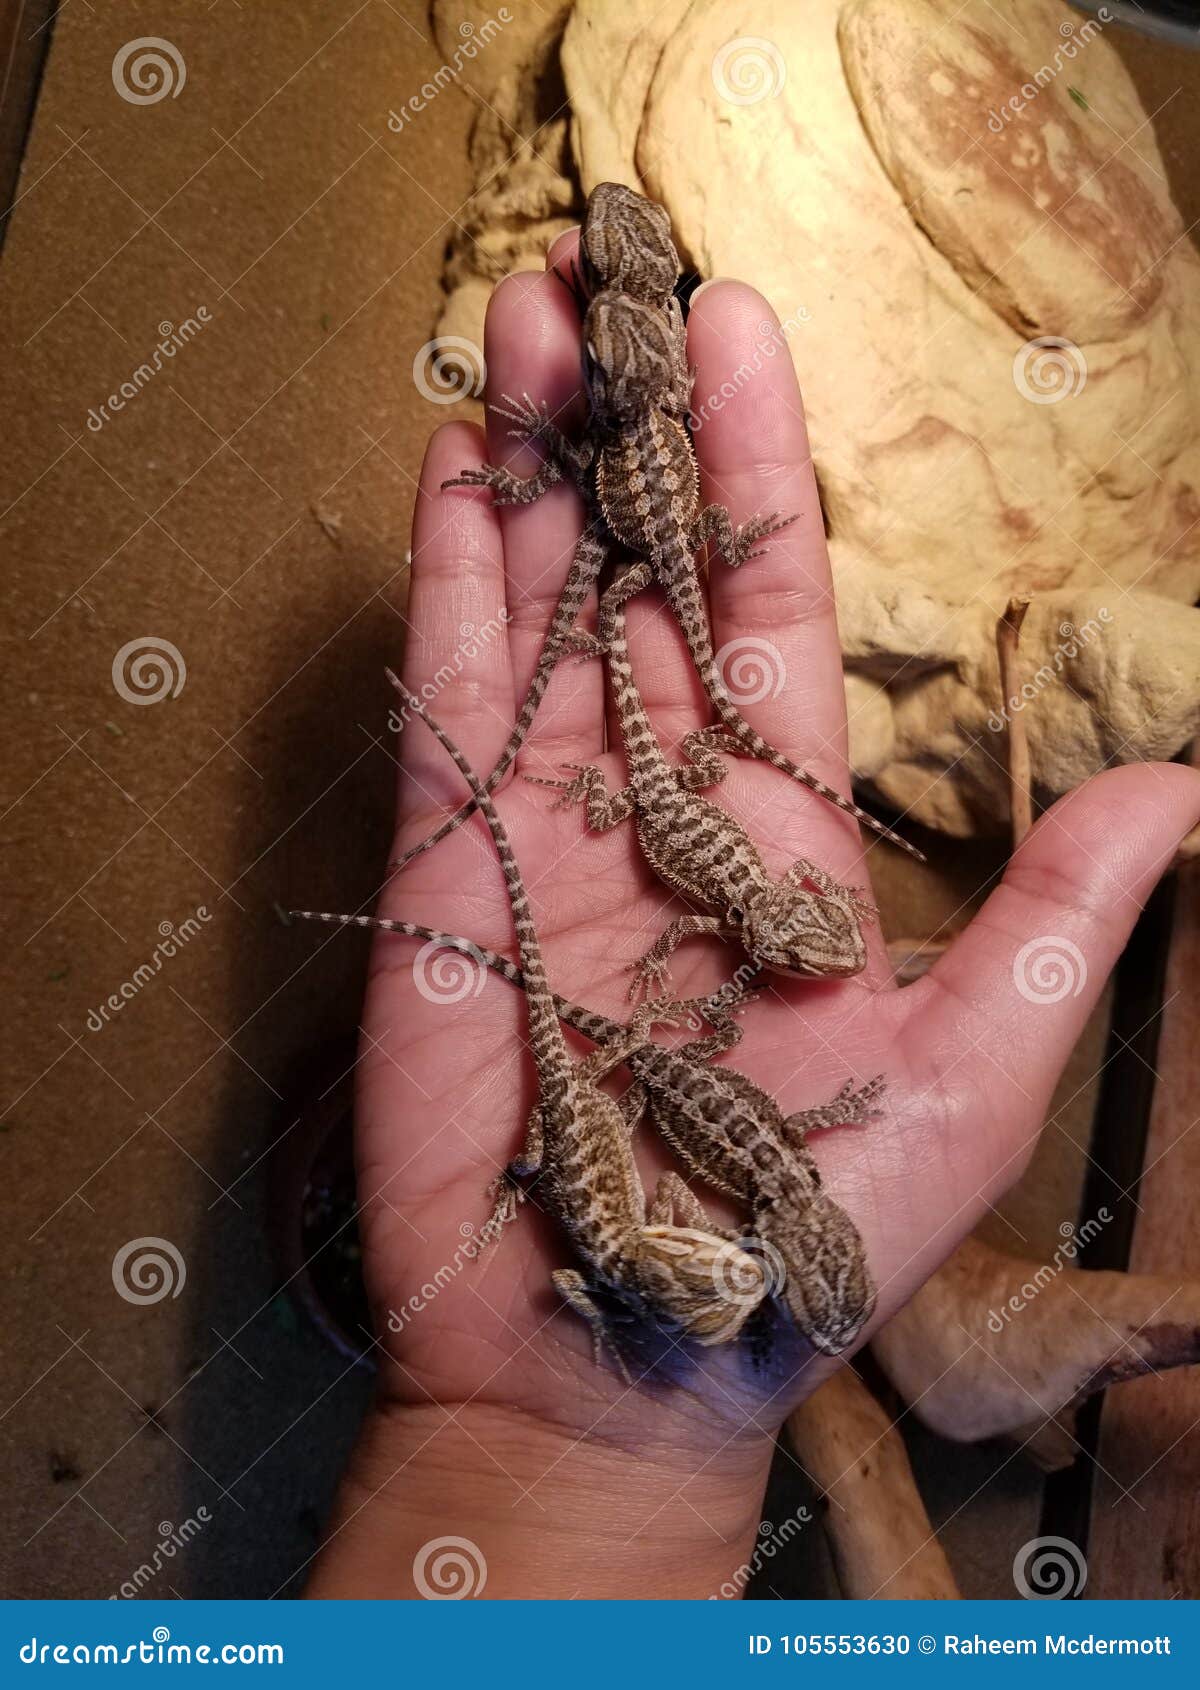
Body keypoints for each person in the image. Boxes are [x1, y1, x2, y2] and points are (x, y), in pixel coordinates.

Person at [306, 232, 1200, 1599]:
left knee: (537, 931)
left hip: (643, 1030)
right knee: (547, 893)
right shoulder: (722, 1147)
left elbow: (691, 1105)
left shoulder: (740, 1157)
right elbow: (683, 1090)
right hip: (649, 981)